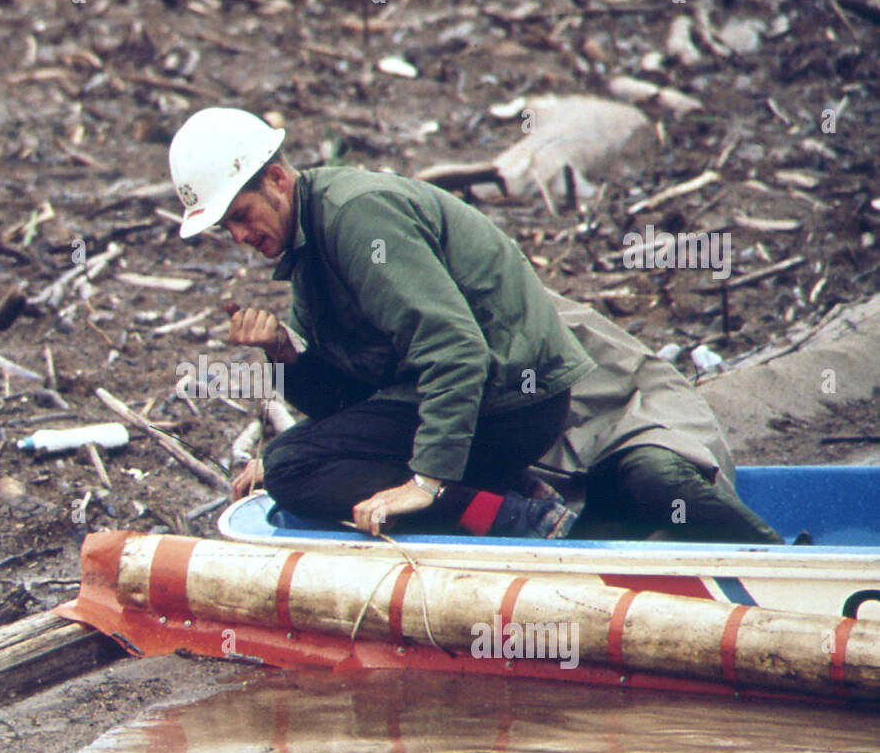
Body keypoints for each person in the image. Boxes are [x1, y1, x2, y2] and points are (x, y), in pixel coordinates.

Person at [168, 107, 782, 544]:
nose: (241, 237)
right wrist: (283, 353)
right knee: (294, 461)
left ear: (276, 179)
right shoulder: (307, 252)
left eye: (241, 216)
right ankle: (504, 503)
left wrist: (428, 483)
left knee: (295, 464)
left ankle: (509, 514)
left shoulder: (357, 218)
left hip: (514, 402)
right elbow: (348, 400)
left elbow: (455, 350)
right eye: (226, 229)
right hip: (477, 405)